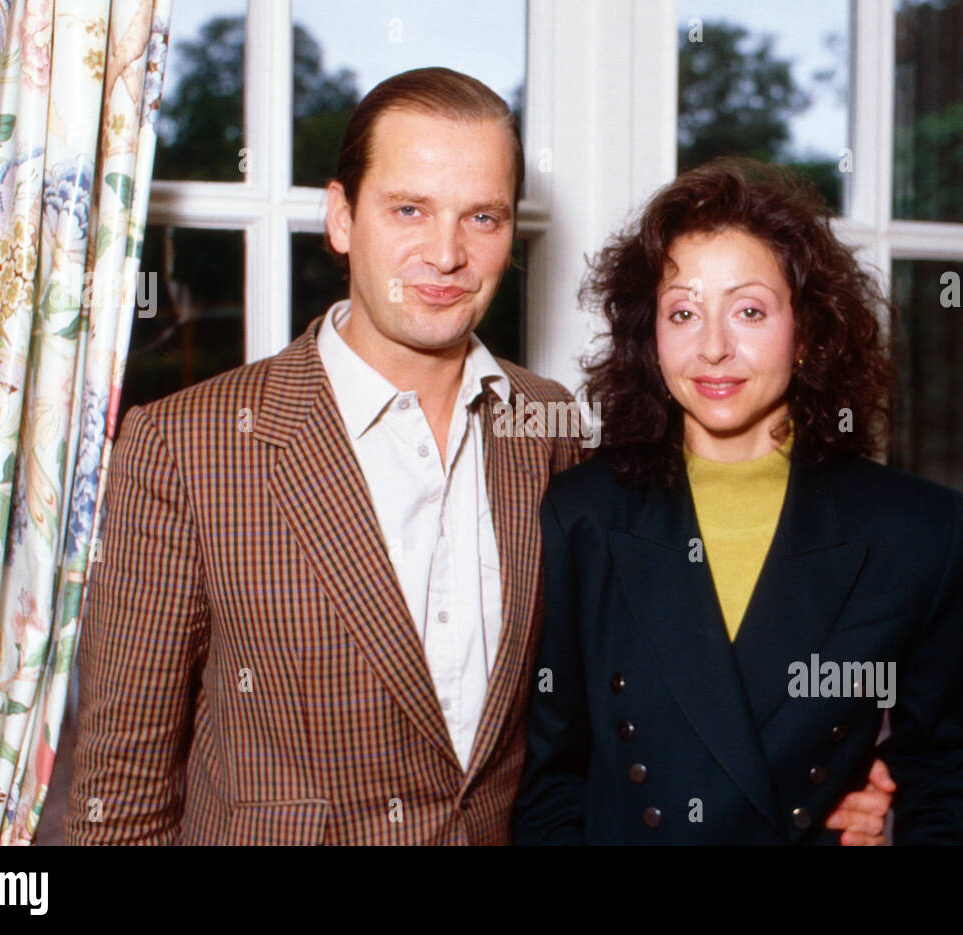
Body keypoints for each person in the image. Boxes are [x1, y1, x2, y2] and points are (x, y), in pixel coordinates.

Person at [66, 69, 892, 845]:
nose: (448, 254)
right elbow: (121, 793)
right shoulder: (185, 445)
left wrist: (833, 779)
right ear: (341, 217)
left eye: (482, 216)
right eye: (409, 210)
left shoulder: (551, 427)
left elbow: (637, 698)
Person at [514, 158, 963, 845]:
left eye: (748, 310)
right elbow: (551, 784)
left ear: (808, 332)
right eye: (683, 312)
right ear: (649, 339)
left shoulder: (914, 529)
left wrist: (886, 811)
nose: (713, 347)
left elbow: (951, 782)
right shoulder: (583, 513)